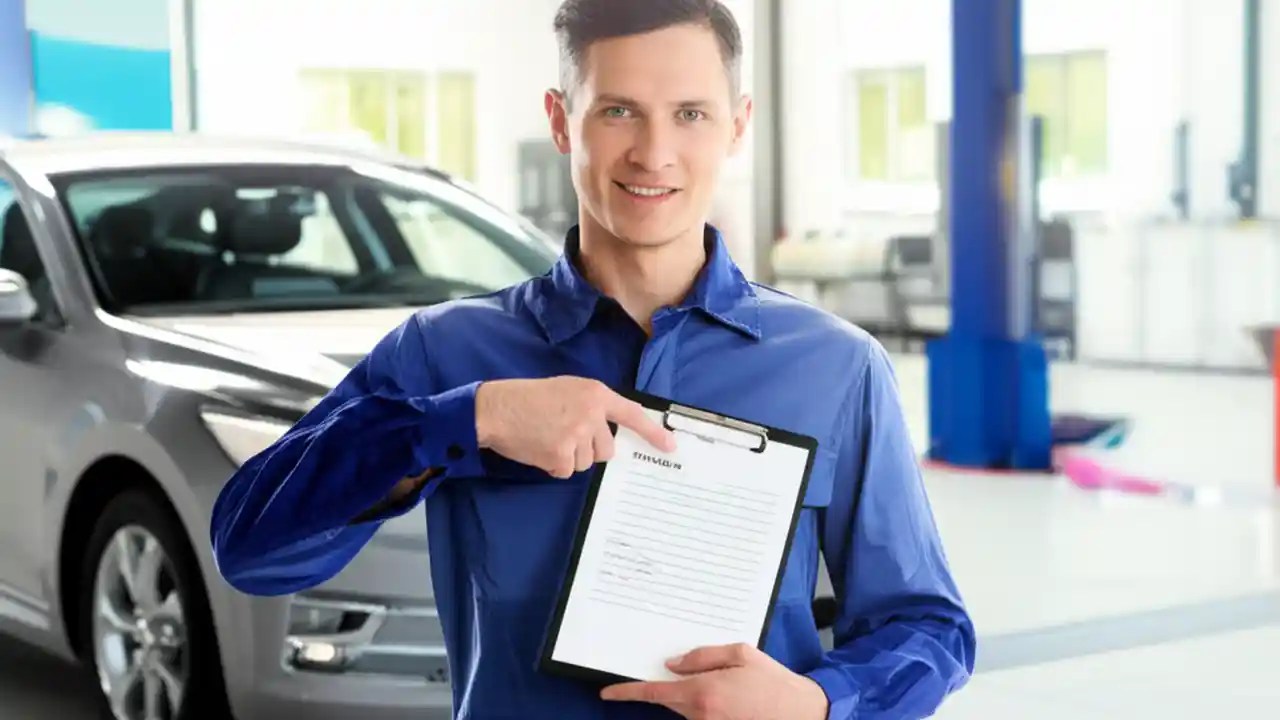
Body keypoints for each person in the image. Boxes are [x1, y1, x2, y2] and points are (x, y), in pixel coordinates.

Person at [209, 1, 976, 717]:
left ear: (737, 126)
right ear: (560, 120)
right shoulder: (445, 354)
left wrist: (816, 703)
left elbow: (930, 628)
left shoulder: (836, 369)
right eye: (618, 111)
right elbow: (251, 549)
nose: (655, 152)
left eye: (690, 114)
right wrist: (469, 417)